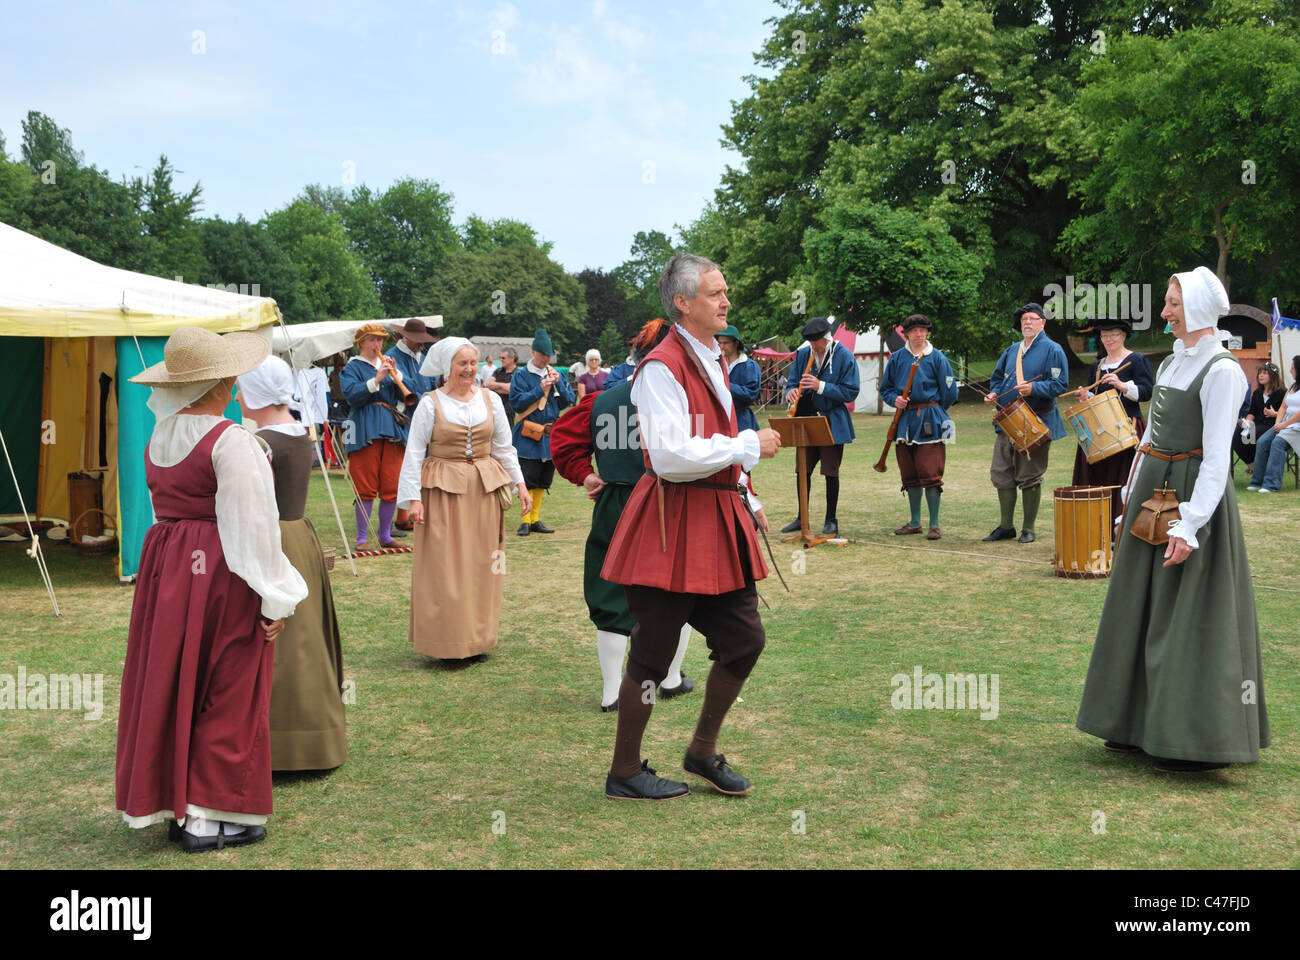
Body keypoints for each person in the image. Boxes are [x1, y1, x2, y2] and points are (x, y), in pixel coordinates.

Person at [116, 327, 308, 853]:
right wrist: (274, 595)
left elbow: (167, 510)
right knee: (231, 679)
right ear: (222, 380)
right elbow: (252, 525)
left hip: (169, 567)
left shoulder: (159, 436)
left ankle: (178, 801)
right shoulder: (231, 439)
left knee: (176, 677)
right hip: (222, 568)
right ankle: (208, 816)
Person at [600, 252, 782, 801]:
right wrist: (749, 445)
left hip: (717, 518)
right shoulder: (661, 366)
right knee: (653, 656)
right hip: (670, 522)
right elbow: (671, 455)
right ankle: (625, 772)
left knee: (744, 641)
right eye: (714, 293)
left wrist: (746, 495)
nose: (725, 301)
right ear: (683, 303)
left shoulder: (712, 357)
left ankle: (701, 750)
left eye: (724, 292)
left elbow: (715, 438)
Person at [1077, 266, 1268, 773]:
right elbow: (1148, 439)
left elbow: (1216, 460)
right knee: (1137, 607)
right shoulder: (1168, 365)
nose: (1164, 312)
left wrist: (1190, 525)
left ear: (1200, 311)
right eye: (1166, 302)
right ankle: (1132, 723)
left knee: (1187, 618)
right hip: (1149, 492)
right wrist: (1125, 501)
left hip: (1189, 499)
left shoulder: (1223, 370)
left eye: (1174, 305)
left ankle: (1190, 738)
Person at [552, 319, 713, 712]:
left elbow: (562, 439)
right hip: (674, 505)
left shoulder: (602, 400)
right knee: (680, 592)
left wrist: (586, 474)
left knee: (612, 596)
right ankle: (670, 679)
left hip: (618, 505)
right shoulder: (690, 401)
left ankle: (613, 693)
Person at [237, 356, 347, 773]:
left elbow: (252, 507)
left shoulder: (260, 442)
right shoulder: (300, 430)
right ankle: (314, 736)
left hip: (275, 542)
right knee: (305, 642)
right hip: (299, 537)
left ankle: (283, 747)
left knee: (282, 643)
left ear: (257, 391)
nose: (235, 394)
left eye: (242, 386)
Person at [398, 338, 531, 662]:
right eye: (462, 364)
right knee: (444, 566)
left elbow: (503, 447)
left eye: (472, 363)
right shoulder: (430, 404)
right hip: (443, 492)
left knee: (482, 564)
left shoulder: (490, 400)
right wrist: (413, 500)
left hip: (483, 493)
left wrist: (521, 485)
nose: (469, 370)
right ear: (447, 368)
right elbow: (415, 452)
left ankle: (477, 638)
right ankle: (446, 642)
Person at [981, 302, 1069, 544]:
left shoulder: (1053, 349)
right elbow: (997, 378)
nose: (1027, 322)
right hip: (1007, 421)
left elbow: (1061, 384)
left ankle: (1028, 528)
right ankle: (1006, 526)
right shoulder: (1011, 351)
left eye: (1032, 318)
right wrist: (994, 394)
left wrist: (1034, 388)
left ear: (1043, 322)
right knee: (1002, 473)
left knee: (1030, 474)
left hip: (1036, 421)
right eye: (1024, 320)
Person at [780, 316, 860, 536]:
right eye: (811, 342)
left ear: (827, 338)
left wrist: (820, 386)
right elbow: (794, 380)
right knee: (802, 470)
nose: (814, 346)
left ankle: (831, 519)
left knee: (830, 471)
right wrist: (791, 391)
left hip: (832, 420)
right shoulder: (804, 354)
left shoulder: (844, 356)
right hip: (806, 419)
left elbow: (851, 391)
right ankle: (801, 517)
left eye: (817, 342)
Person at [880, 314, 959, 539]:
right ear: (906, 333)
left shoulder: (938, 358)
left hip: (931, 419)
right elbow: (885, 389)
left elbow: (950, 393)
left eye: (922, 330)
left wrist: (933, 409)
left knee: (930, 472)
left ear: (928, 333)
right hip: (904, 421)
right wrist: (894, 400)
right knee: (910, 472)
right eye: (914, 330)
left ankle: (934, 524)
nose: (918, 334)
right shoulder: (896, 359)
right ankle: (915, 522)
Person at [341, 324, 419, 549]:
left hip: (391, 427)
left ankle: (385, 536)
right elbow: (352, 396)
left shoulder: (389, 364)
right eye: (372, 340)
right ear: (360, 343)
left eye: (380, 340)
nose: (377, 345)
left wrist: (398, 375)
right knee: (364, 484)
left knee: (391, 482)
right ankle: (362, 538)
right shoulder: (352, 367)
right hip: (364, 427)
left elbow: (410, 394)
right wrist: (376, 379)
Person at [1070, 319, 1156, 519]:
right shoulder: (1098, 366)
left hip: (1127, 429)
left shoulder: (1136, 360)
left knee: (1125, 477)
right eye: (1105, 336)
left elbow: (1147, 392)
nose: (1109, 339)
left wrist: (1122, 385)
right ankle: (1098, 523)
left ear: (1123, 336)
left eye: (1114, 335)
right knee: (1099, 478)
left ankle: (1121, 524)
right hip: (1100, 430)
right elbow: (1096, 397)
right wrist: (1086, 396)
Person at [509, 328, 575, 536]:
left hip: (549, 433)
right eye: (543, 354)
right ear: (533, 352)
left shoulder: (555, 374)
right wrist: (539, 389)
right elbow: (517, 404)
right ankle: (525, 520)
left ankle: (535, 518)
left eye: (549, 355)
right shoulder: (520, 375)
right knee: (527, 476)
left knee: (543, 478)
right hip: (529, 432)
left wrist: (559, 384)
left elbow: (569, 401)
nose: (546, 358)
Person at [385, 319, 439, 533]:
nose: (420, 344)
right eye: (417, 340)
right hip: (402, 419)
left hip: (425, 418)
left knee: (421, 467)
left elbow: (431, 383)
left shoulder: (422, 357)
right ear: (405, 337)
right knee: (401, 469)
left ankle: (405, 516)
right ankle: (396, 517)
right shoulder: (392, 357)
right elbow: (410, 388)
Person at [1248, 355, 1300, 494]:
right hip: (1284, 424)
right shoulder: (1293, 387)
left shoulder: (1282, 390)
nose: (1290, 371)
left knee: (1277, 443)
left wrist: (1283, 425)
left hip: (1296, 427)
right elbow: (1283, 407)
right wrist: (1278, 423)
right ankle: (1256, 481)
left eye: (1293, 368)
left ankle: (1271, 484)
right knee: (1262, 441)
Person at [1234, 361, 1285, 470]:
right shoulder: (1257, 393)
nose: (1261, 375)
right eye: (1259, 373)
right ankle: (1251, 465)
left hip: (1273, 425)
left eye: (1265, 373)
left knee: (1249, 435)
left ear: (1273, 375)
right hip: (1257, 424)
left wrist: (1274, 414)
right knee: (1236, 434)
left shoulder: (1282, 392)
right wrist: (1246, 422)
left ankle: (1259, 467)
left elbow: (1287, 414)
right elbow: (1252, 412)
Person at [717, 323, 760, 433]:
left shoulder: (749, 366)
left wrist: (724, 384)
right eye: (719, 343)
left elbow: (750, 394)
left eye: (725, 343)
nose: (721, 347)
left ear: (736, 343)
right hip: (719, 419)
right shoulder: (716, 365)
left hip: (742, 421)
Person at [486, 346, 519, 425]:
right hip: (494, 408)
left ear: (512, 358)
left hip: (508, 411)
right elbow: (488, 384)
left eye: (503, 358)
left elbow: (510, 389)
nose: (501, 360)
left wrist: (495, 386)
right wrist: (503, 386)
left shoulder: (518, 373)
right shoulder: (498, 371)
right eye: (500, 357)